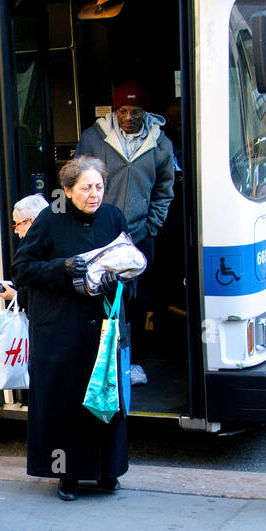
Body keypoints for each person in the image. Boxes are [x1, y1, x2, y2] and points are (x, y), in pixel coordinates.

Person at [12, 156, 132, 501]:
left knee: (106, 398)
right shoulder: (51, 219)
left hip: (104, 328)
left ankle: (108, 471)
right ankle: (68, 476)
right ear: (67, 190)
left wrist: (117, 281)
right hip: (61, 329)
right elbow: (23, 269)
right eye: (85, 188)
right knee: (66, 401)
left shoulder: (112, 217)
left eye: (99, 187)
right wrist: (61, 268)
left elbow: (130, 263)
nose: (94, 194)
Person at [75, 80, 175, 385]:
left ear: (146, 112)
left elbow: (164, 189)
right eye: (123, 110)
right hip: (101, 235)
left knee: (139, 300)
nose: (129, 117)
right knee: (100, 298)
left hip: (140, 235)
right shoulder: (94, 139)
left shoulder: (160, 144)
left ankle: (135, 363)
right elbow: (78, 181)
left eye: (136, 111)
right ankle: (102, 362)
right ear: (114, 111)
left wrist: (152, 225)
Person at [0, 193, 47, 305]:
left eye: (17, 224)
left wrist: (16, 296)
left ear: (32, 222)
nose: (15, 230)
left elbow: (42, 297)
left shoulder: (39, 251)